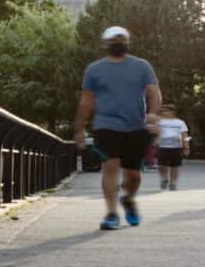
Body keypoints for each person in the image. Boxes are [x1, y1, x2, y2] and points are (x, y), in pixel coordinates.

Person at [74, 26, 162, 231]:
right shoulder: (94, 69)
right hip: (106, 125)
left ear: (128, 42)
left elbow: (154, 93)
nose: (118, 41)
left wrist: (153, 113)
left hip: (136, 127)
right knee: (110, 167)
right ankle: (111, 213)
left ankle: (129, 199)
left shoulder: (142, 66)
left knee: (133, 175)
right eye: (114, 39)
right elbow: (86, 101)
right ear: (106, 43)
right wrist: (79, 128)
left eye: (122, 38)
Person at [155, 105, 189, 191]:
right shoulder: (159, 122)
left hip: (177, 147)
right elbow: (154, 133)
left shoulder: (180, 122)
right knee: (161, 165)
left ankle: (173, 182)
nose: (163, 113)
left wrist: (186, 147)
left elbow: (185, 136)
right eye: (162, 111)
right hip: (162, 147)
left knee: (175, 166)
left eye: (165, 111)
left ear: (172, 112)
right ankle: (164, 178)